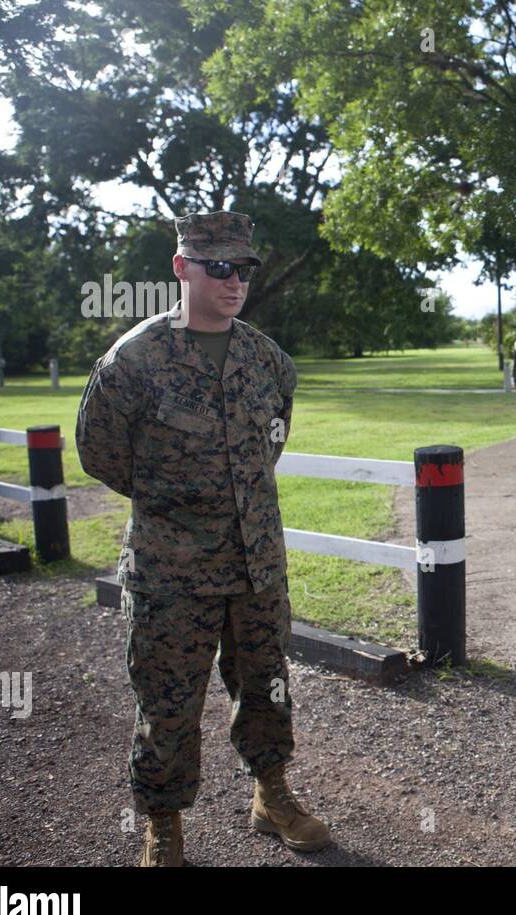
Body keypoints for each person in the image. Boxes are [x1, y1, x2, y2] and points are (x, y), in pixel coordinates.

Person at [76, 211, 330, 866]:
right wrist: (175, 501)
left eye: (243, 268)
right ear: (182, 268)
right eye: (218, 267)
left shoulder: (266, 359)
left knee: (267, 686)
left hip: (255, 565)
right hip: (172, 570)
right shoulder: (133, 360)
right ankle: (164, 826)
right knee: (168, 701)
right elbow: (100, 453)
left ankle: (272, 796)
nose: (233, 280)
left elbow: (269, 441)